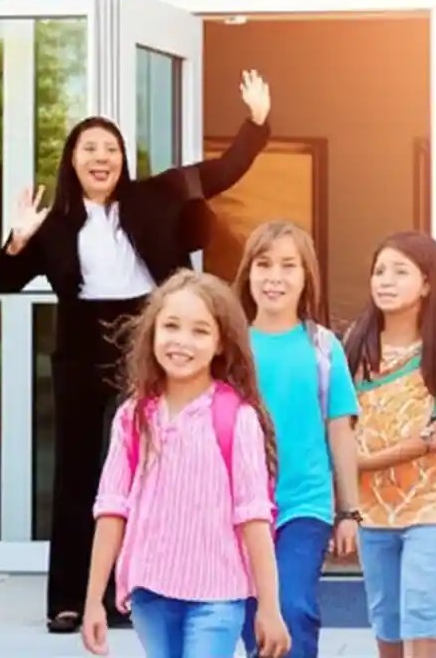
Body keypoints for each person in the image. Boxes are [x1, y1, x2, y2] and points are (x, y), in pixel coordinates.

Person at [0, 71, 272, 634]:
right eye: (89, 148)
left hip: (150, 334)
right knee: (77, 471)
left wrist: (257, 122)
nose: (102, 157)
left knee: (147, 465)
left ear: (124, 158)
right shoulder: (54, 222)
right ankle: (69, 598)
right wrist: (19, 238)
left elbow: (222, 171)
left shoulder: (156, 195)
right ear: (72, 160)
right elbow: (6, 280)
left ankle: (133, 590)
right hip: (79, 343)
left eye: (111, 148)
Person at [79, 270, 291, 658]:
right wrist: (94, 599)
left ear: (221, 344)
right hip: (150, 591)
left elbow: (254, 517)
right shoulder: (132, 417)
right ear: (152, 333)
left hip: (218, 593)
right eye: (171, 326)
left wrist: (269, 606)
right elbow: (111, 509)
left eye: (200, 331)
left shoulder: (235, 417)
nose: (182, 342)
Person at [344, 232, 436, 658]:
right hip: (370, 504)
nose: (385, 280)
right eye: (379, 271)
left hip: (426, 498)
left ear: (427, 283)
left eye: (400, 272)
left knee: (421, 607)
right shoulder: (354, 344)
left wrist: (364, 461)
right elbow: (339, 421)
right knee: (385, 611)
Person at [231, 221, 362, 658]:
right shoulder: (228, 349)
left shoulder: (323, 347)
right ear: (247, 273)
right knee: (254, 616)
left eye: (289, 266)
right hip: (237, 508)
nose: (275, 277)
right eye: (264, 264)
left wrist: (349, 511)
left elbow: (339, 433)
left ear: (307, 276)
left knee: (293, 607)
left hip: (303, 505)